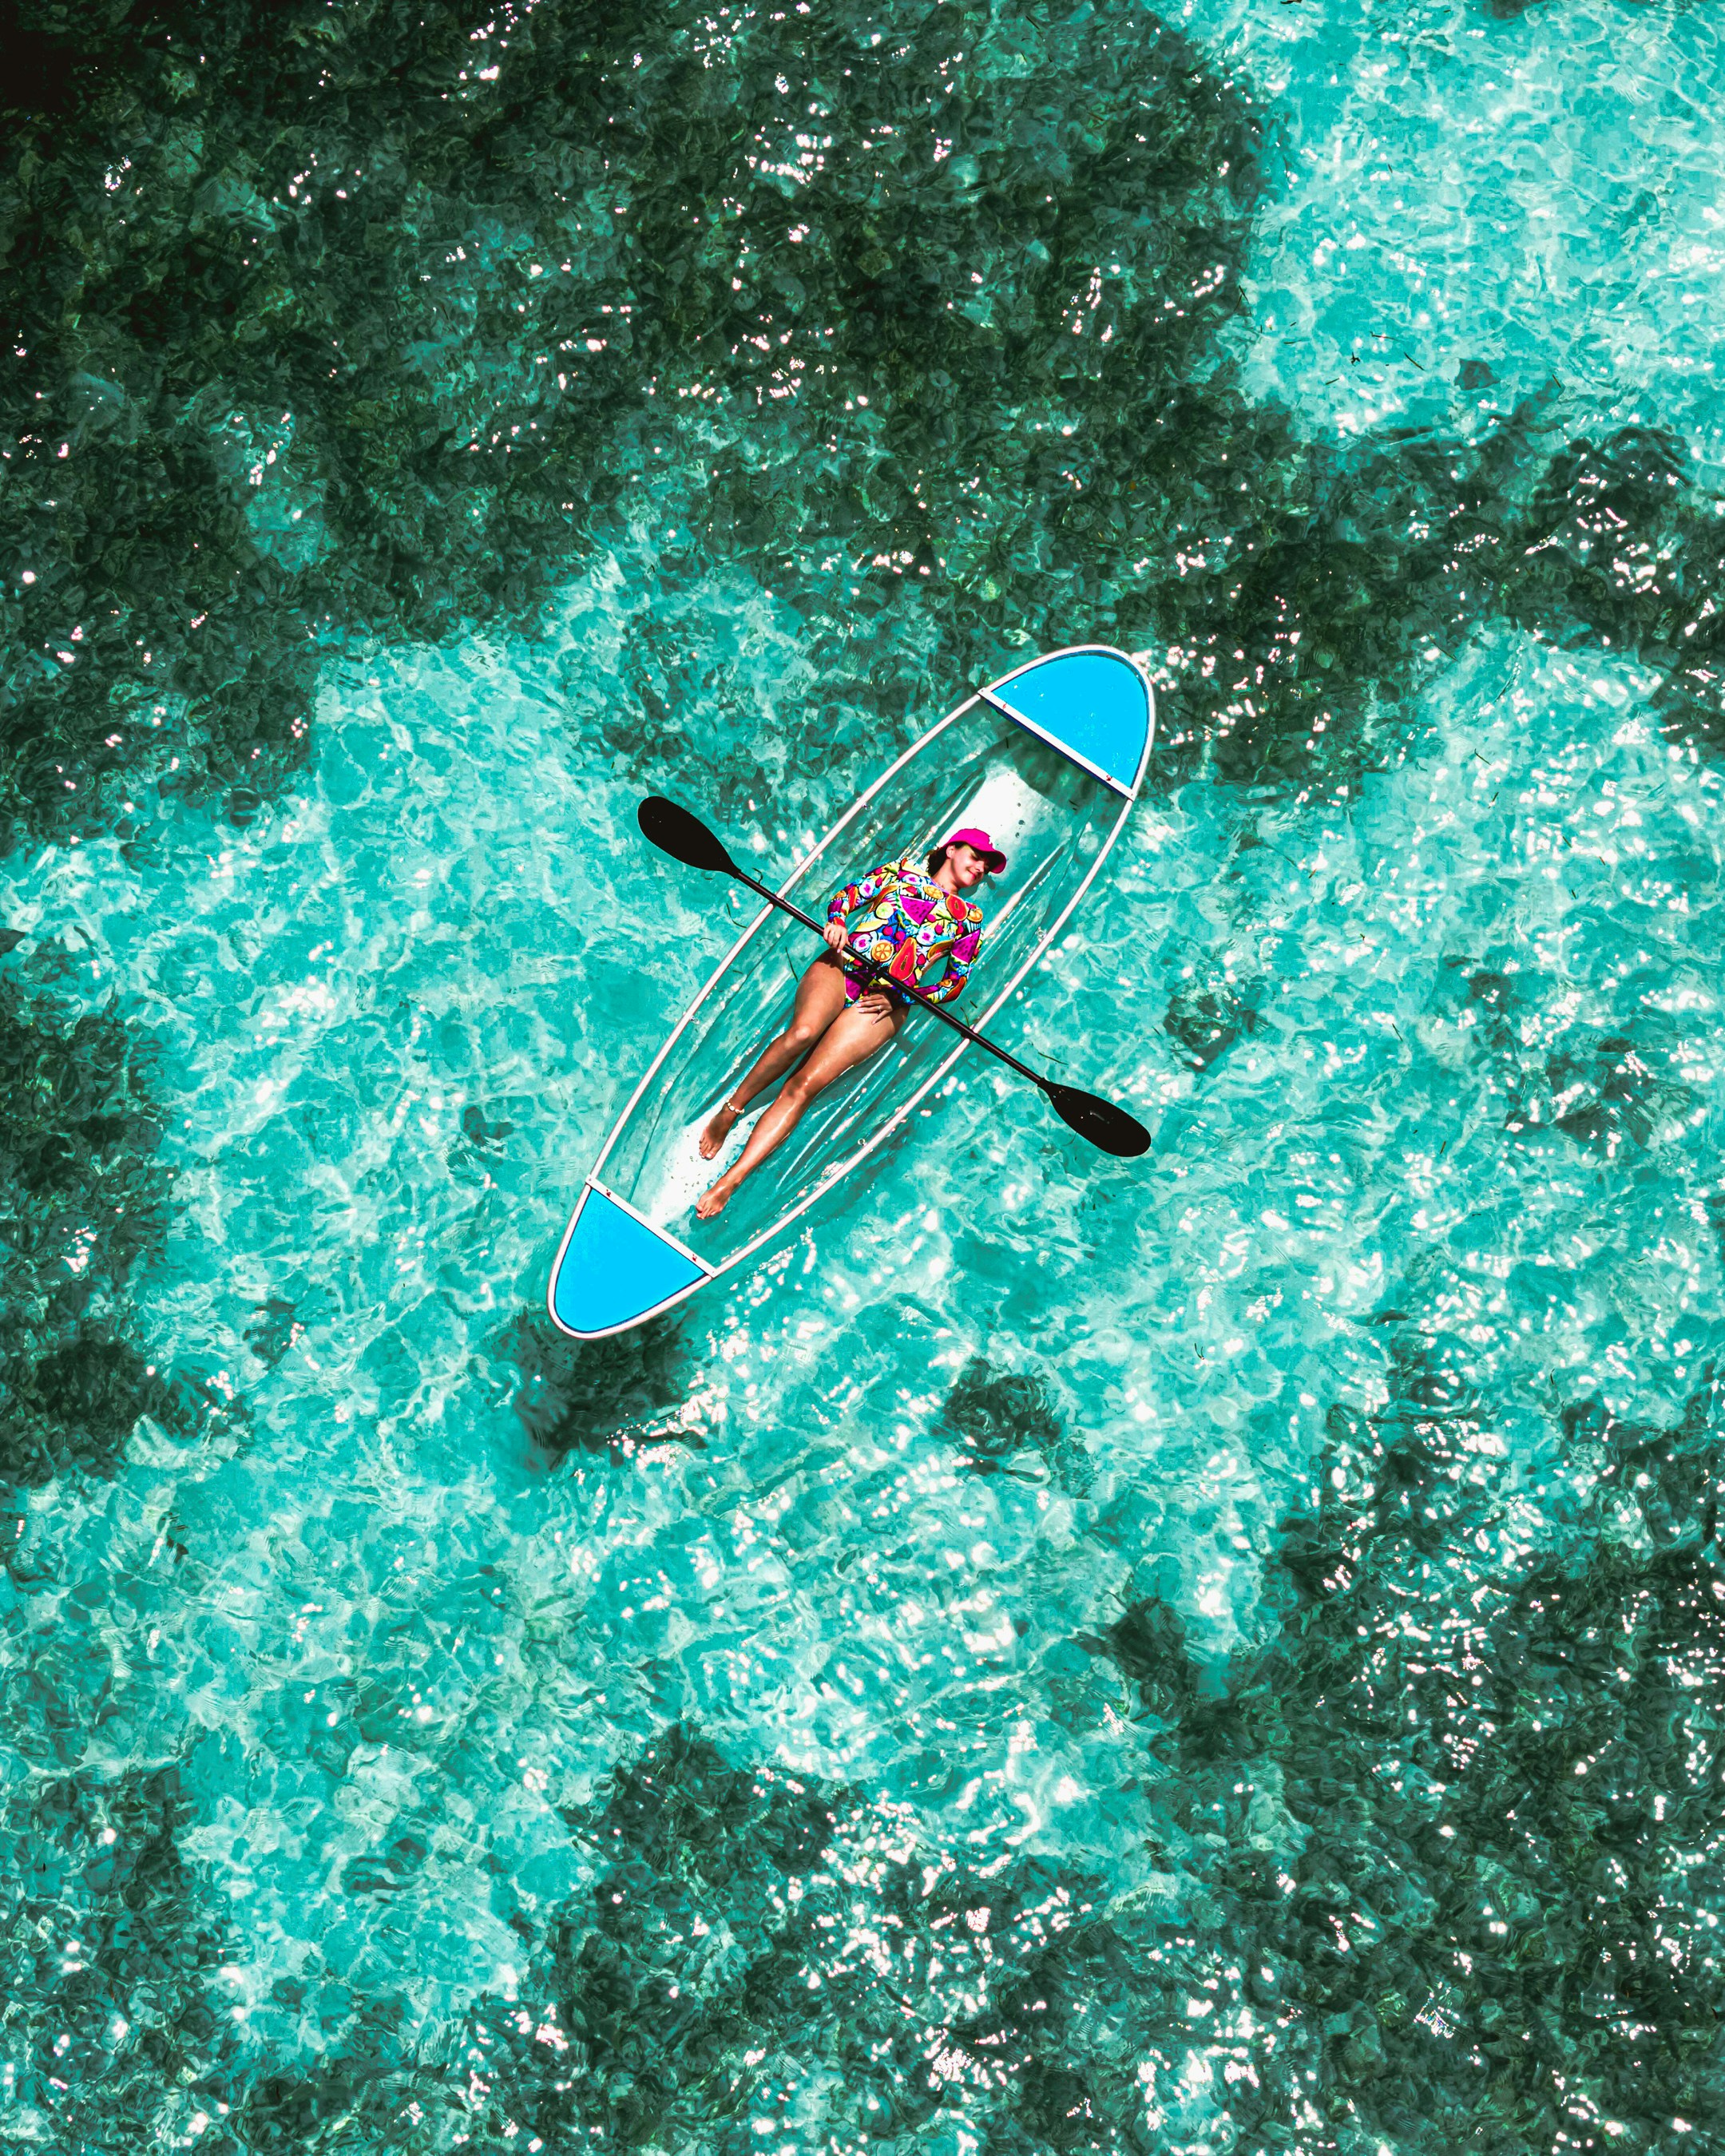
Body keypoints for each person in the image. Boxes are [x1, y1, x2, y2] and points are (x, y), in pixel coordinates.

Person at [694, 827, 1006, 1219]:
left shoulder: (971, 921)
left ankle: (731, 1181)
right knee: (802, 1033)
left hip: (887, 1002)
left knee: (804, 1084)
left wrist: (904, 995)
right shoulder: (901, 872)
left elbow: (954, 982)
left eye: (987, 866)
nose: (980, 868)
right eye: (976, 856)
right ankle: (731, 1110)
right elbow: (846, 897)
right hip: (844, 967)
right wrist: (838, 922)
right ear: (951, 848)